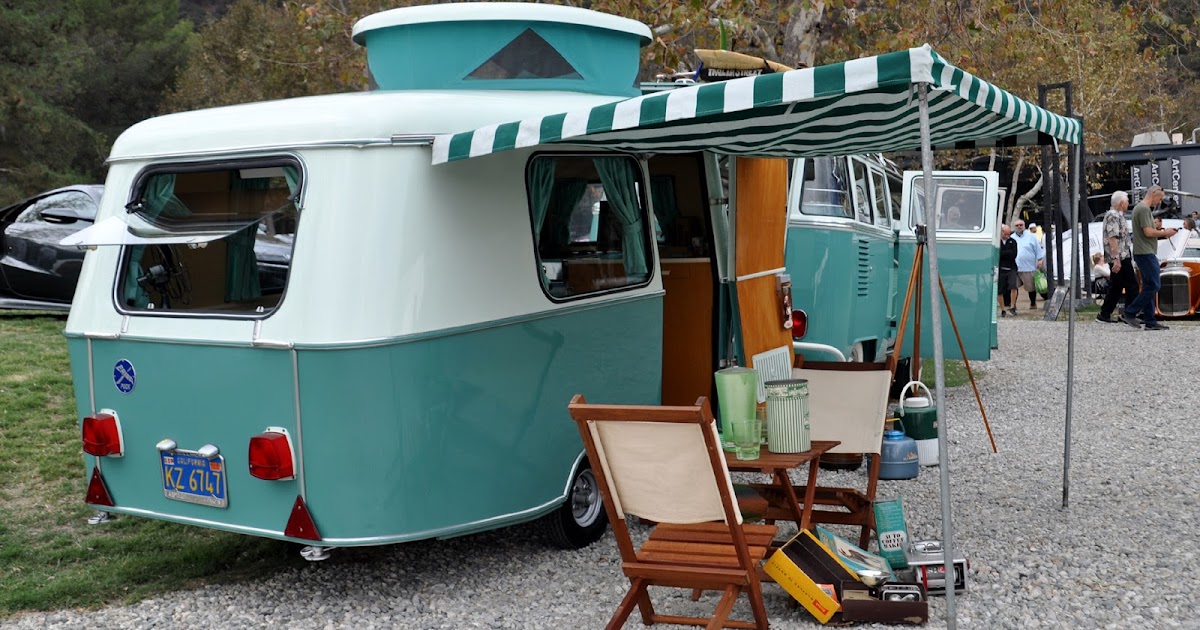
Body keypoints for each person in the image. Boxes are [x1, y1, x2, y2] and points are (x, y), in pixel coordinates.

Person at [1121, 185, 1177, 330]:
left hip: (1143, 251)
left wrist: (1157, 230)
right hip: (1145, 252)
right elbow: (1148, 232)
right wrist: (1165, 233)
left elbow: (1147, 230)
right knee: (1154, 285)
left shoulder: (1139, 209)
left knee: (1148, 286)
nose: (1159, 202)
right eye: (1159, 198)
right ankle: (1130, 312)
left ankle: (1150, 320)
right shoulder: (1144, 209)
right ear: (1154, 194)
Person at [1012, 219, 1044, 309]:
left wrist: (1040, 260)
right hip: (1015, 267)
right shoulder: (1012, 237)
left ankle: (1033, 303)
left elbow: (1038, 249)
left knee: (1031, 288)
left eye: (1021, 225)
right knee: (1014, 287)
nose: (1019, 227)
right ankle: (1013, 305)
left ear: (1024, 225)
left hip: (1029, 267)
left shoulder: (1031, 237)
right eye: (1017, 225)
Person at [997, 224, 1019, 316]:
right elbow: (997, 254)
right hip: (1001, 268)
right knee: (1000, 290)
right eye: (1005, 234)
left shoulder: (1013, 242)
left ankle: (1012, 306)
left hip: (1011, 268)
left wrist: (1003, 253)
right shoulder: (997, 242)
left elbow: (1013, 254)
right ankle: (1002, 309)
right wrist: (1006, 253)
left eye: (1008, 234)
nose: (1007, 236)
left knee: (1013, 286)